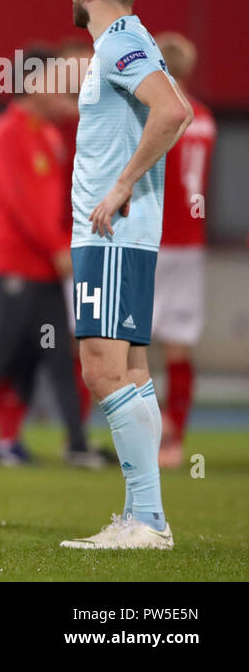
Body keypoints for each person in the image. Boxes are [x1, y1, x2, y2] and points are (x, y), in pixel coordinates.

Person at [59, 0, 192, 550]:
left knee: (102, 370)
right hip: (120, 236)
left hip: (111, 235)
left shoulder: (119, 43)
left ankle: (146, 520)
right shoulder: (122, 42)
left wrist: (120, 186)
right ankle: (147, 520)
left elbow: (172, 111)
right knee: (132, 372)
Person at [0, 45, 103, 468]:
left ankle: (76, 444)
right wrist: (60, 247)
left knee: (57, 354)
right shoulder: (7, 132)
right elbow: (23, 204)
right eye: (57, 76)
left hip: (41, 266)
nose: (66, 86)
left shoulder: (50, 132)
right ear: (35, 81)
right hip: (10, 264)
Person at [152, 32, 215, 468]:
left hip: (154, 238)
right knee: (178, 346)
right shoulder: (206, 117)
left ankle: (154, 430)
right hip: (190, 244)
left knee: (129, 341)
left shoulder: (161, 112)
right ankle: (174, 439)